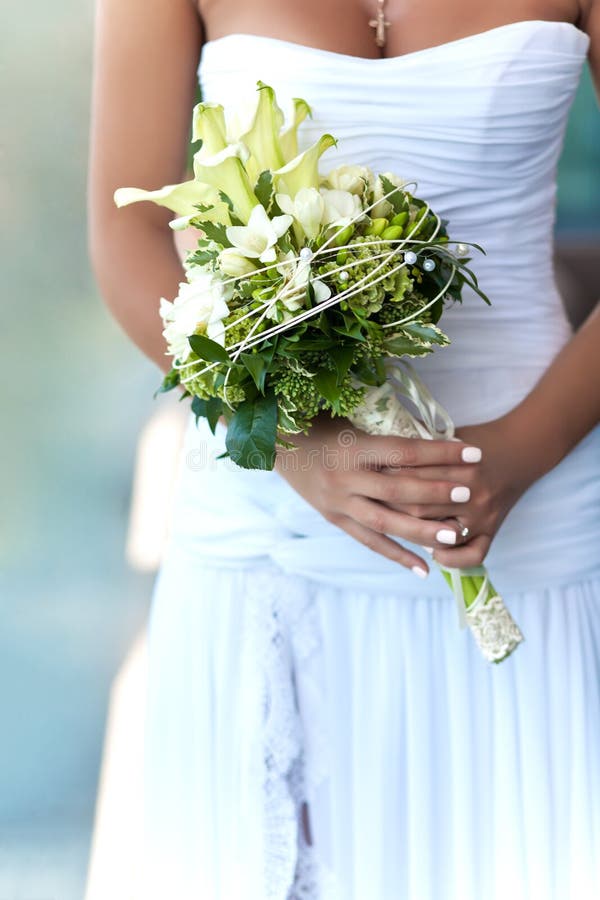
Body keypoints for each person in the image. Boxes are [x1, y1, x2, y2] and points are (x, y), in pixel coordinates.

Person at [88, 1, 600, 897]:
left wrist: (519, 452)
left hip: (531, 518)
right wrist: (294, 446)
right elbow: (125, 226)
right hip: (266, 527)